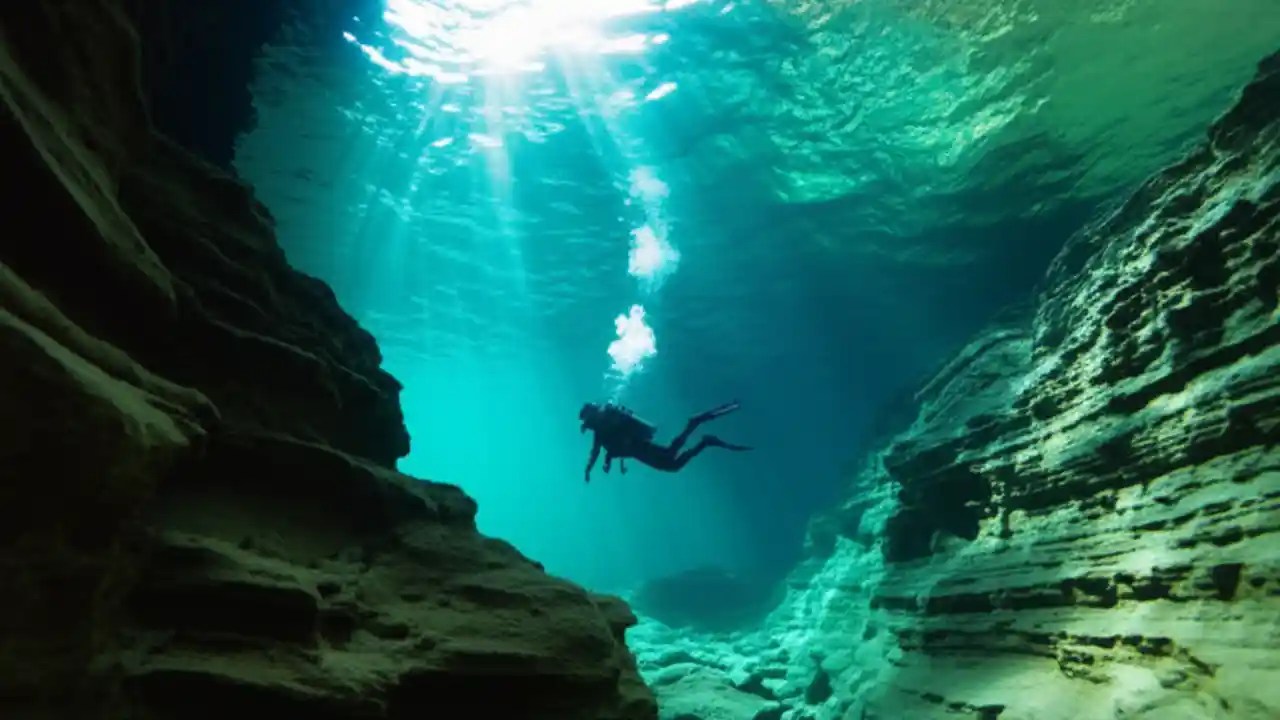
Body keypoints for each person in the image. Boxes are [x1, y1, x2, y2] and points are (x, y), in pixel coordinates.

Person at [579, 400, 751, 483]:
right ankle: (704, 440)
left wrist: (589, 470)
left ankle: (695, 426)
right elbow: (605, 451)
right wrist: (603, 463)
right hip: (637, 449)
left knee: (670, 457)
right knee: (672, 463)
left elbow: (596, 452)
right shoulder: (603, 428)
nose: (586, 424)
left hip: (639, 448)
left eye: (586, 419)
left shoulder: (600, 430)